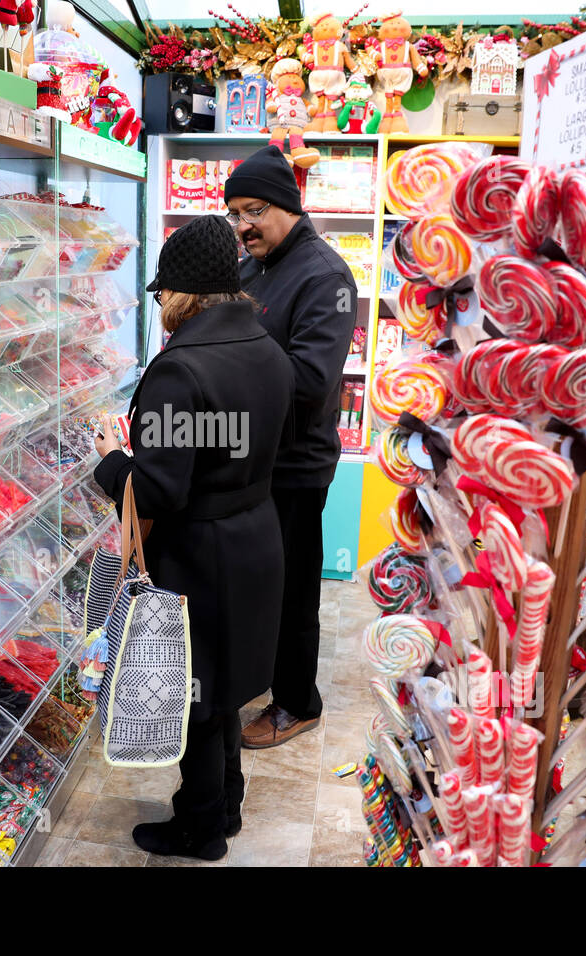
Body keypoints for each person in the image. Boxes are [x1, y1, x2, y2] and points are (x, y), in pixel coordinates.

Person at [92, 215, 293, 860]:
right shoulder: (265, 346)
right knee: (227, 684)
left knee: (197, 695)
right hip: (256, 534)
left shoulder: (179, 371)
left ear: (180, 293)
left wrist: (110, 460)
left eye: (160, 294)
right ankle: (226, 805)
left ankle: (199, 828)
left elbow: (158, 491)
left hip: (202, 552)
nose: (157, 305)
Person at [224, 146, 359, 750]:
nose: (243, 225)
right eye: (233, 214)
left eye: (253, 210)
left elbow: (309, 382)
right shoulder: (255, 262)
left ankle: (297, 702)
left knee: (294, 587)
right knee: (258, 584)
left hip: (295, 465)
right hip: (249, 457)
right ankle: (261, 678)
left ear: (286, 205)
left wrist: (232, 366)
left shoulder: (324, 275)